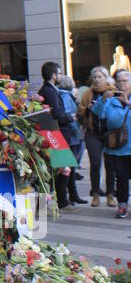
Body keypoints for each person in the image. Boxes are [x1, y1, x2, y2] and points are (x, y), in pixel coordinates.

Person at [39, 61, 79, 210]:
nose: (61, 76)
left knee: (60, 168)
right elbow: (57, 114)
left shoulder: (47, 90)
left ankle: (60, 200)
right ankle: (62, 201)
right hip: (53, 134)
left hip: (52, 133)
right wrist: (69, 117)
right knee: (63, 168)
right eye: (60, 73)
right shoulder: (50, 91)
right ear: (54, 75)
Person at [93, 69, 131, 219]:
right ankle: (122, 205)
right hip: (118, 147)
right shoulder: (110, 99)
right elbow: (98, 113)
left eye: (125, 81)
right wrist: (102, 100)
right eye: (119, 81)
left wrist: (128, 103)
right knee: (121, 177)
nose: (122, 84)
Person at [78, 67, 117, 207]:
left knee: (110, 165)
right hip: (92, 132)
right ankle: (95, 194)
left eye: (100, 77)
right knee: (95, 164)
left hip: (109, 133)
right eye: (94, 77)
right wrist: (88, 108)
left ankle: (110, 195)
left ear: (106, 78)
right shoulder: (88, 93)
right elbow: (80, 111)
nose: (97, 79)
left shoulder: (113, 91)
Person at [56, 74, 86, 205]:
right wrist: (77, 132)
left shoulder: (63, 95)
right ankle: (71, 195)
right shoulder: (66, 96)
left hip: (70, 135)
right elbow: (71, 117)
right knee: (70, 168)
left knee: (70, 167)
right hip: (71, 136)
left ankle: (72, 194)